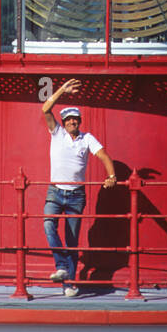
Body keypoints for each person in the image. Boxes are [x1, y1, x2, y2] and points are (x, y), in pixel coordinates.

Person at [40, 78, 116, 297]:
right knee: (47, 225)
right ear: (63, 123)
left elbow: (103, 155)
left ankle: (69, 285)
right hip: (55, 191)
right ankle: (61, 266)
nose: (72, 122)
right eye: (68, 119)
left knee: (72, 240)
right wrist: (62, 90)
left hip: (76, 195)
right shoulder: (57, 133)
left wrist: (112, 175)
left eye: (75, 119)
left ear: (80, 121)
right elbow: (45, 108)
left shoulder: (87, 138)